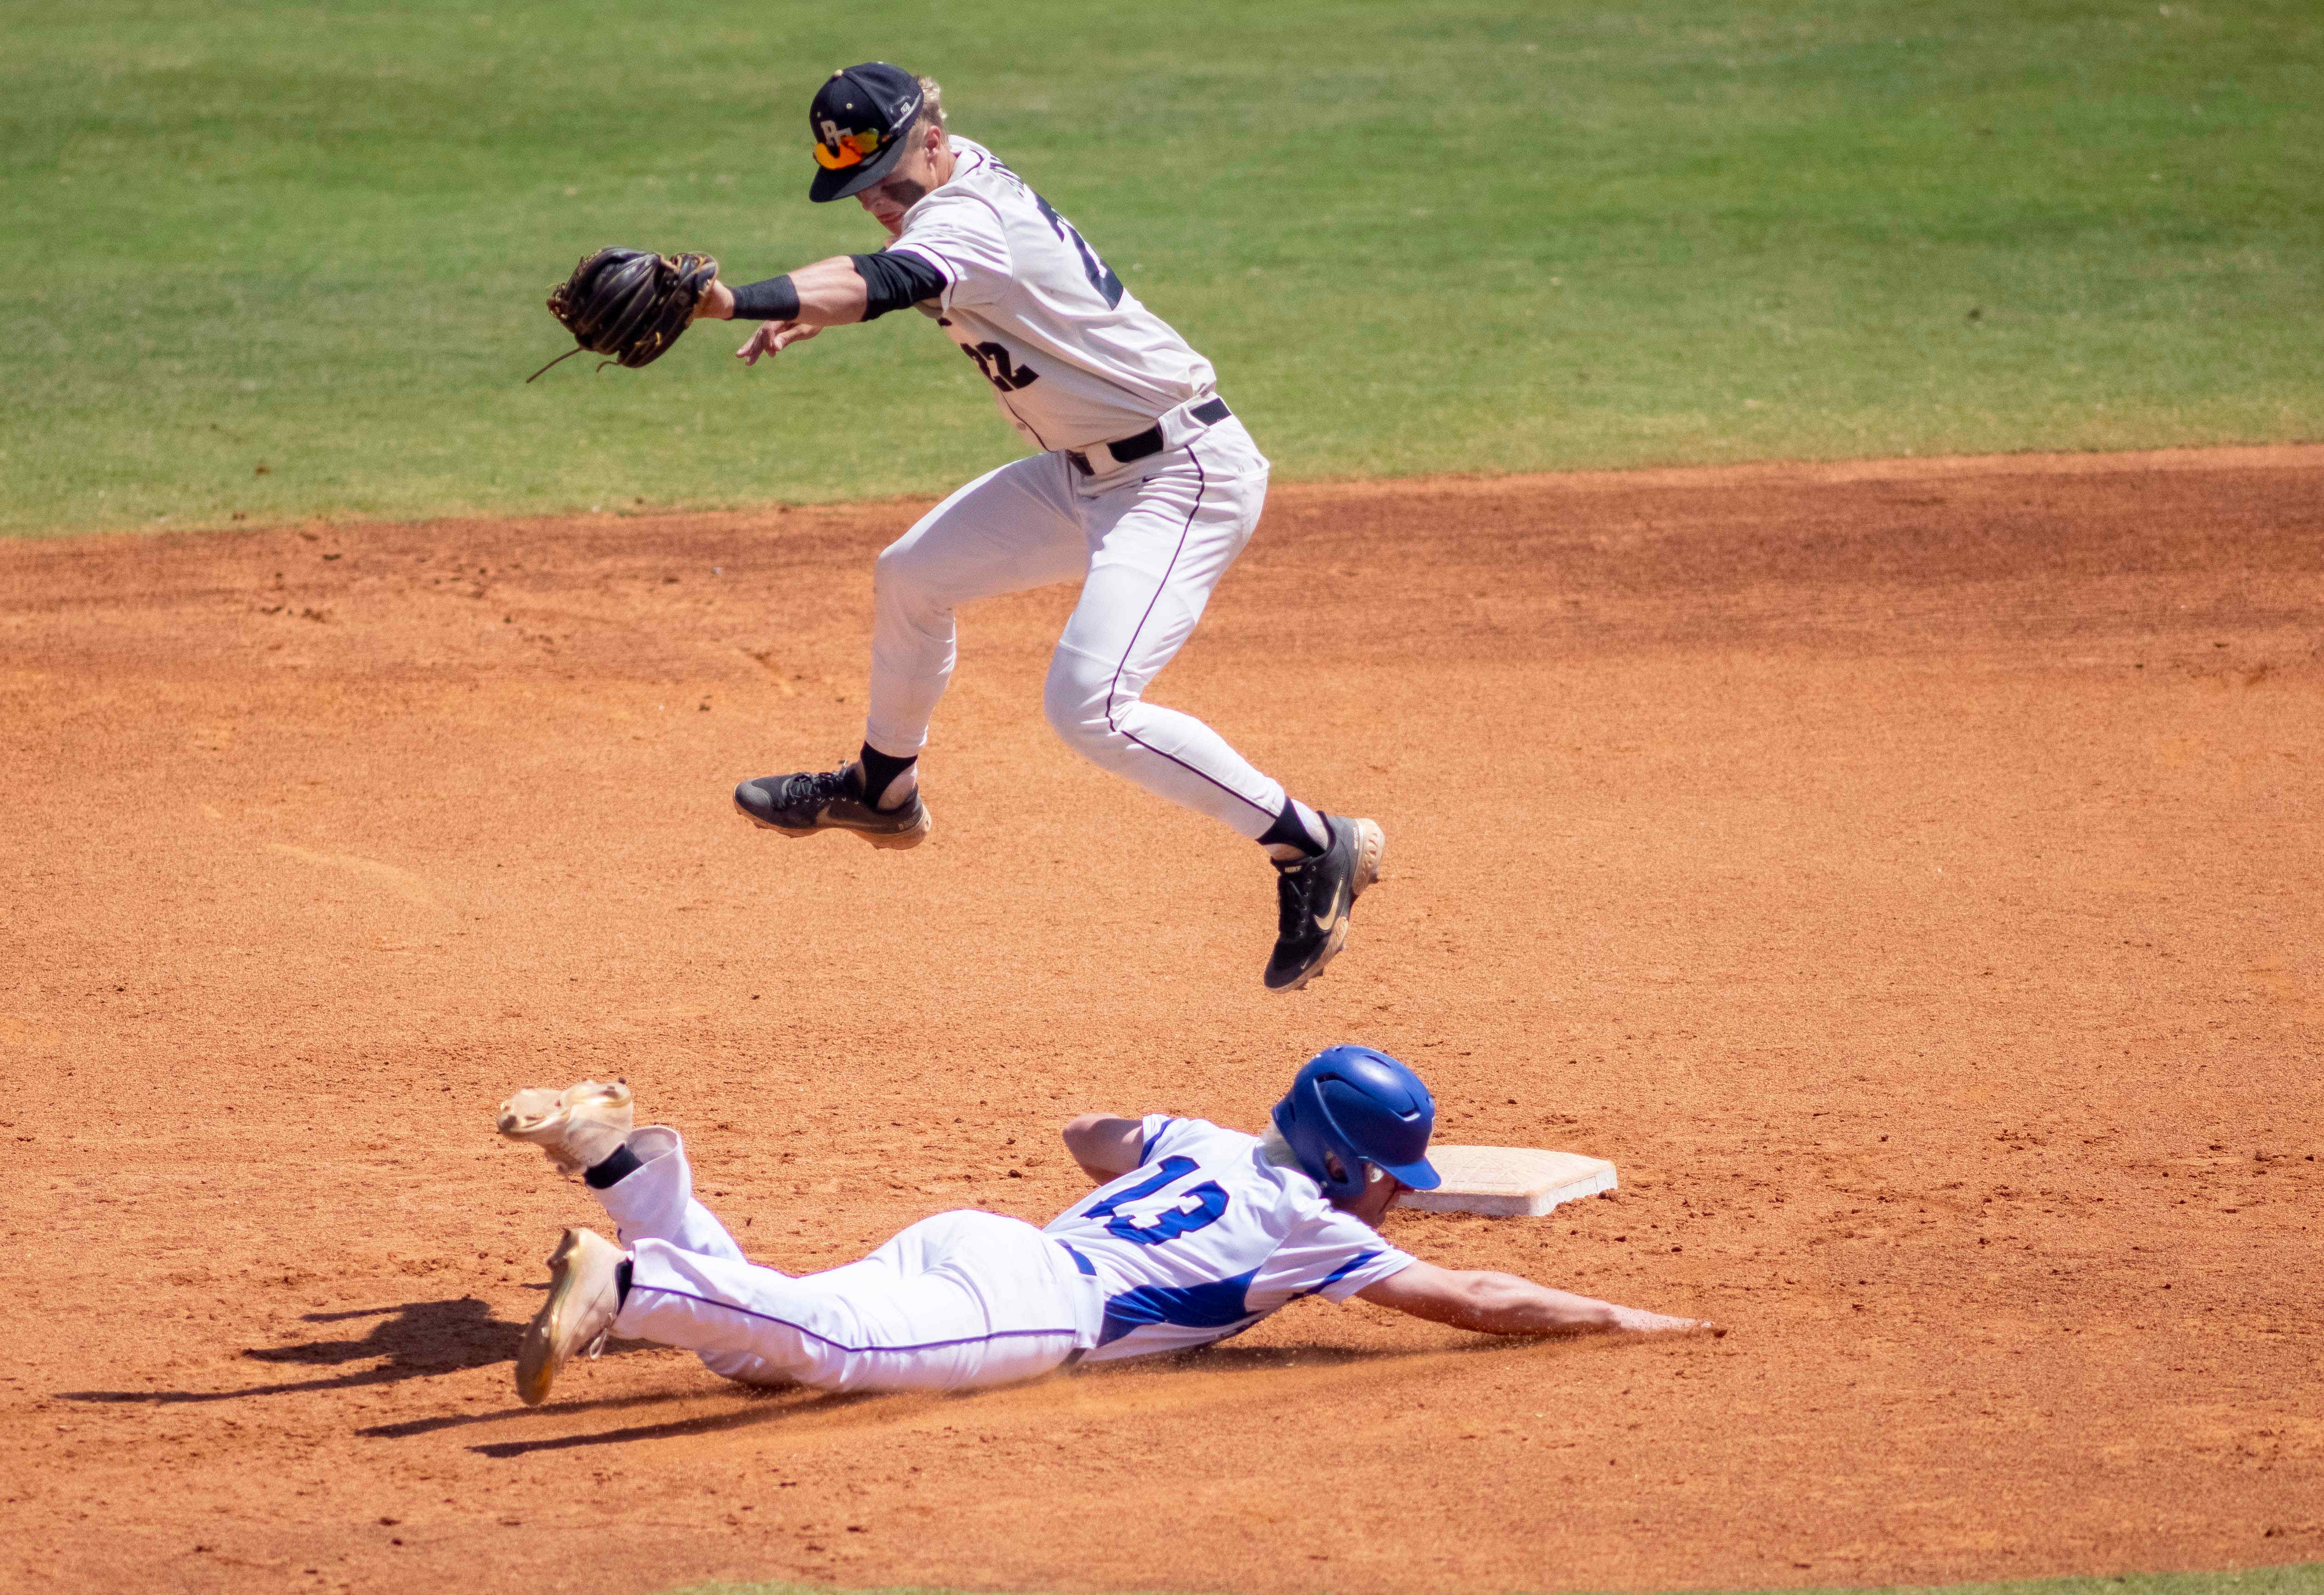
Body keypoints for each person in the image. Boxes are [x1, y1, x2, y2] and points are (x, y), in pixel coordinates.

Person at [698, 61, 1381, 992]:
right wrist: (815, 307)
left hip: (1181, 477)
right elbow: (890, 271)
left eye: (892, 181)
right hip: (1083, 471)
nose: (881, 203)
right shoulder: (952, 178)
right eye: (861, 192)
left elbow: (892, 276)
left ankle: (1313, 845)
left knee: (1088, 707)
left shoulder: (966, 214)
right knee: (913, 576)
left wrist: (741, 300)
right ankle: (882, 789)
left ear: (931, 144)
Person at [493, 1047, 1714, 1407]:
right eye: (1391, 1172)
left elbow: (1086, 1135)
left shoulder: (1213, 1141)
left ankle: (618, 1161)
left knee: (760, 1348)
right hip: (1031, 1304)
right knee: (834, 1349)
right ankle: (628, 1283)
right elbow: (1479, 1300)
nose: (1401, 1191)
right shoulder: (1315, 1231)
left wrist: (1153, 1126)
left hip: (976, 1241)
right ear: (1344, 1161)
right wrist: (1630, 1319)